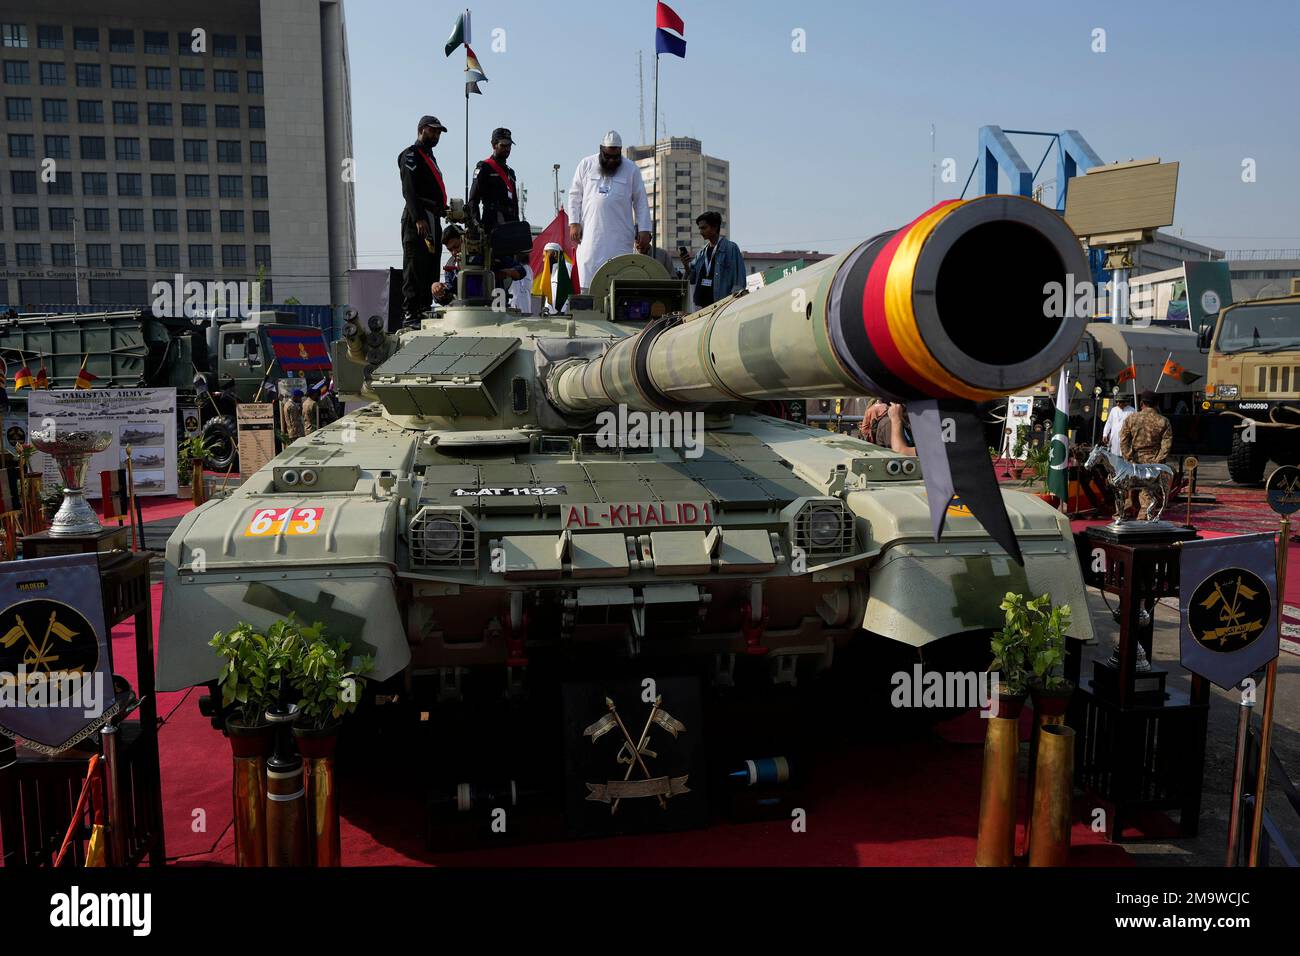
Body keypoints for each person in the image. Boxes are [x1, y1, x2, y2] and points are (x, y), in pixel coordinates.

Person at [566, 131, 651, 293]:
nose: (612, 160)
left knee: (619, 281)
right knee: (587, 281)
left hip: (620, 238)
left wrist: (644, 229)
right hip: (591, 236)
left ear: (620, 151)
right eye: (608, 156)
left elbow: (640, 201)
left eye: (615, 157)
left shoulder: (631, 169)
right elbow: (574, 195)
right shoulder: (586, 164)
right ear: (601, 149)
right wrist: (574, 223)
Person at [399, 115, 450, 326]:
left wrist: (442, 209)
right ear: (421, 130)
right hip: (417, 217)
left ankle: (424, 308)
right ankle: (411, 312)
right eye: (433, 130)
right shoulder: (411, 154)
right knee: (415, 265)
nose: (436, 135)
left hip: (433, 217)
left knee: (431, 265)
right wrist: (419, 217)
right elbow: (409, 189)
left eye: (439, 132)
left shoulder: (430, 158)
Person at [1120, 389, 1173, 515]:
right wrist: (1158, 461)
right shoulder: (1163, 421)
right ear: (1157, 404)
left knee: (1130, 487)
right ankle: (1144, 516)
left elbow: (1123, 440)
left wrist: (1128, 457)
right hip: (1152, 460)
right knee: (1147, 492)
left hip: (1134, 459)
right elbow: (1166, 445)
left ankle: (1123, 512)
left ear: (1141, 403)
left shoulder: (1131, 418)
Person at [679, 211, 746, 309]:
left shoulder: (730, 248)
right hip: (702, 307)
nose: (701, 232)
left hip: (722, 306)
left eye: (704, 228)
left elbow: (739, 280)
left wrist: (733, 304)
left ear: (715, 227)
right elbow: (692, 279)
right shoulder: (702, 253)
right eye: (700, 228)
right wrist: (686, 265)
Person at [468, 128, 519, 232]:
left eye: (509, 145)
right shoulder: (484, 167)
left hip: (511, 222)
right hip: (493, 221)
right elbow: (473, 199)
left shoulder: (510, 172)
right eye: (503, 145)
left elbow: (514, 203)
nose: (507, 149)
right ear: (494, 145)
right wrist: (476, 224)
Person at [431, 224, 464, 306]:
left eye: (456, 247)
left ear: (464, 239)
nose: (454, 252)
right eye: (450, 250)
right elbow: (450, 296)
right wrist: (439, 292)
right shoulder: (450, 265)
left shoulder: (486, 258)